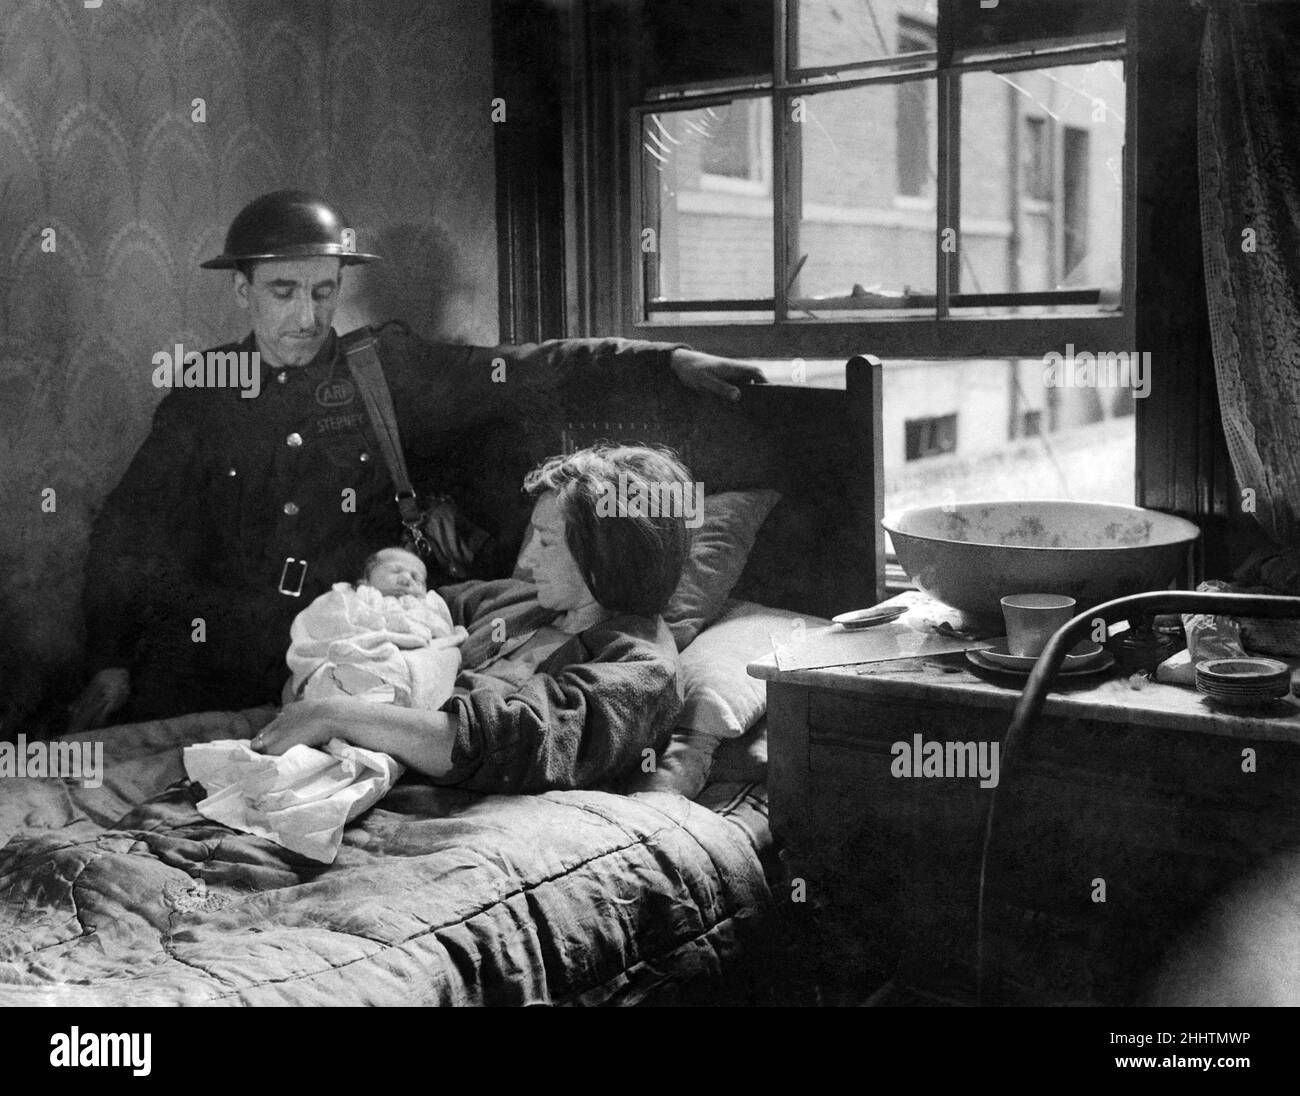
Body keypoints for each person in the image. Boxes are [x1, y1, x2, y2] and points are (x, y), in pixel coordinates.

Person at [70, 190, 763, 730]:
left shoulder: (384, 370)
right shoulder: (205, 390)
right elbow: (129, 528)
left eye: (323, 291)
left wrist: (663, 359)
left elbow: (527, 367)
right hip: (213, 654)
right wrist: (108, 658)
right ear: (241, 290)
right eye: (283, 292)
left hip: (354, 652)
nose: (307, 316)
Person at [252, 444, 691, 794]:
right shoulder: (515, 602)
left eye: (546, 541)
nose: (526, 557)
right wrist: (316, 672)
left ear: (606, 555)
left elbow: (509, 742)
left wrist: (333, 714)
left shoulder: (639, 670)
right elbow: (395, 610)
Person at [285, 546, 467, 709]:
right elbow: (328, 622)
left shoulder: (424, 606)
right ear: (367, 577)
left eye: (416, 578)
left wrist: (416, 631)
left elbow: (440, 634)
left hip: (403, 666)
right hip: (355, 656)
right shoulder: (351, 595)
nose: (406, 579)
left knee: (438, 658)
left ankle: (389, 705)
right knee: (340, 673)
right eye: (396, 570)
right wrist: (382, 632)